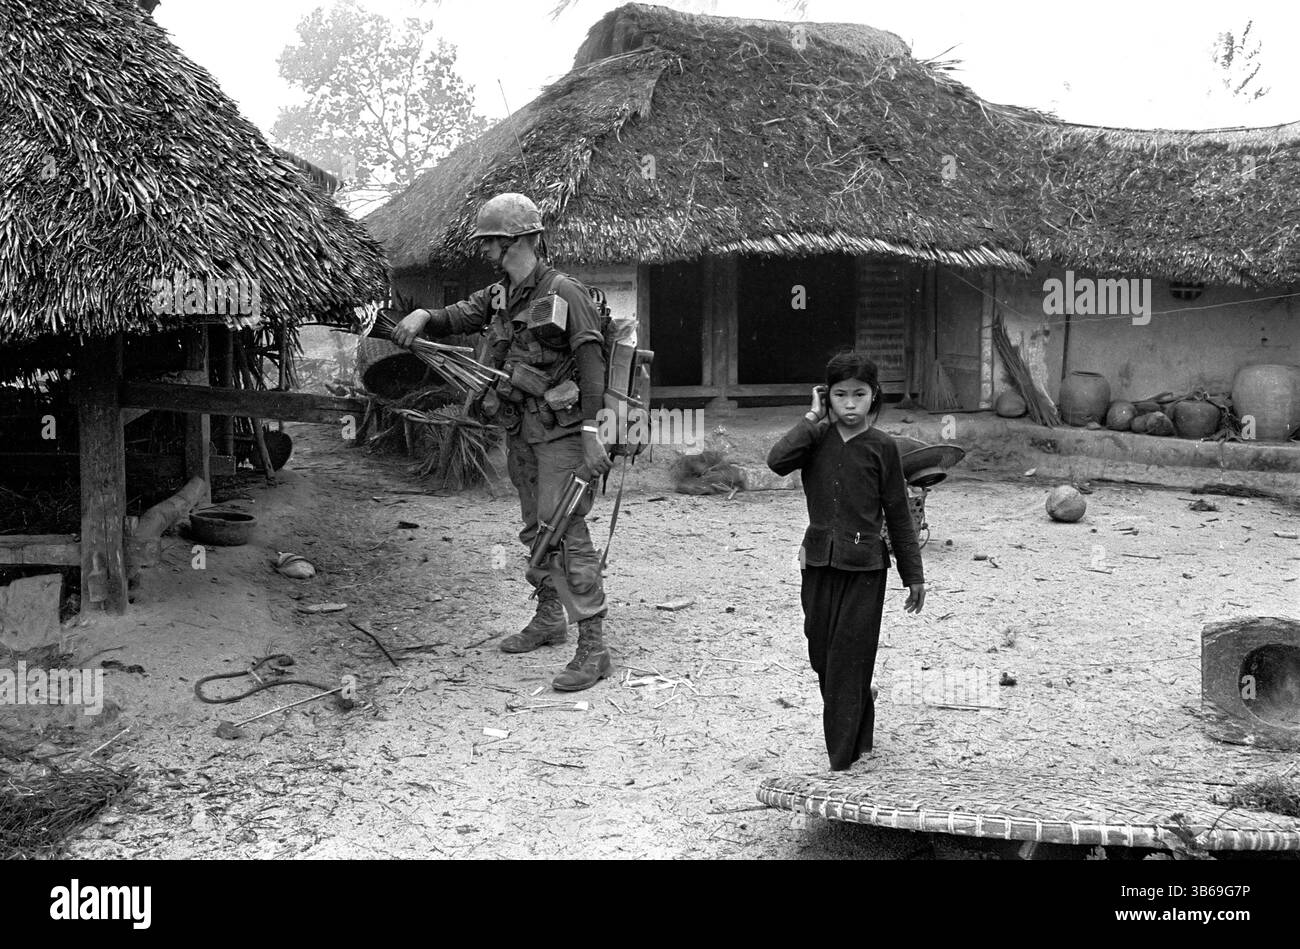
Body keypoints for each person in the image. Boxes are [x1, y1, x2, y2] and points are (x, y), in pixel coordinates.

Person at [390, 193, 615, 692]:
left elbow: (593, 362)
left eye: (490, 241)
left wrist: (594, 431)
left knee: (566, 529)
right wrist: (424, 315)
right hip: (522, 431)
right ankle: (549, 617)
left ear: (515, 240)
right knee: (536, 527)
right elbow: (455, 317)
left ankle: (594, 646)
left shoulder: (564, 291)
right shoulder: (498, 296)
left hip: (562, 433)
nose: (485, 250)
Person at [766, 351, 926, 770]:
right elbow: (776, 462)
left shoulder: (884, 448)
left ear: (874, 397)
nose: (850, 404)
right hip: (818, 563)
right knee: (822, 657)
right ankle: (859, 702)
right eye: (839, 395)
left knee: (846, 661)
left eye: (859, 394)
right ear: (827, 396)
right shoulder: (815, 439)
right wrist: (810, 417)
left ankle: (843, 761)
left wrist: (914, 575)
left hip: (865, 570)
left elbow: (899, 515)